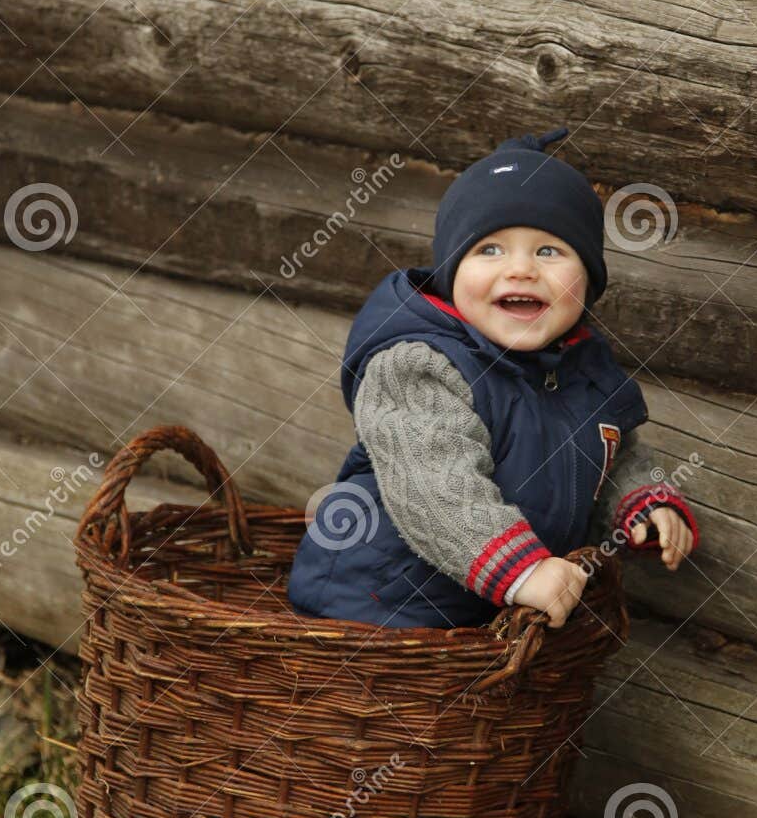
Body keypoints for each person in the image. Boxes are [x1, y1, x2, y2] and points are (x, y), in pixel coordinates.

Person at [287, 126, 698, 630]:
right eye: (490, 250)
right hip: (377, 608)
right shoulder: (418, 366)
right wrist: (522, 570)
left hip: (492, 615)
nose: (521, 269)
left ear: (588, 281)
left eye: (549, 251)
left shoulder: (584, 373)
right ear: (450, 273)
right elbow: (435, 486)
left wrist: (643, 502)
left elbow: (614, 453)